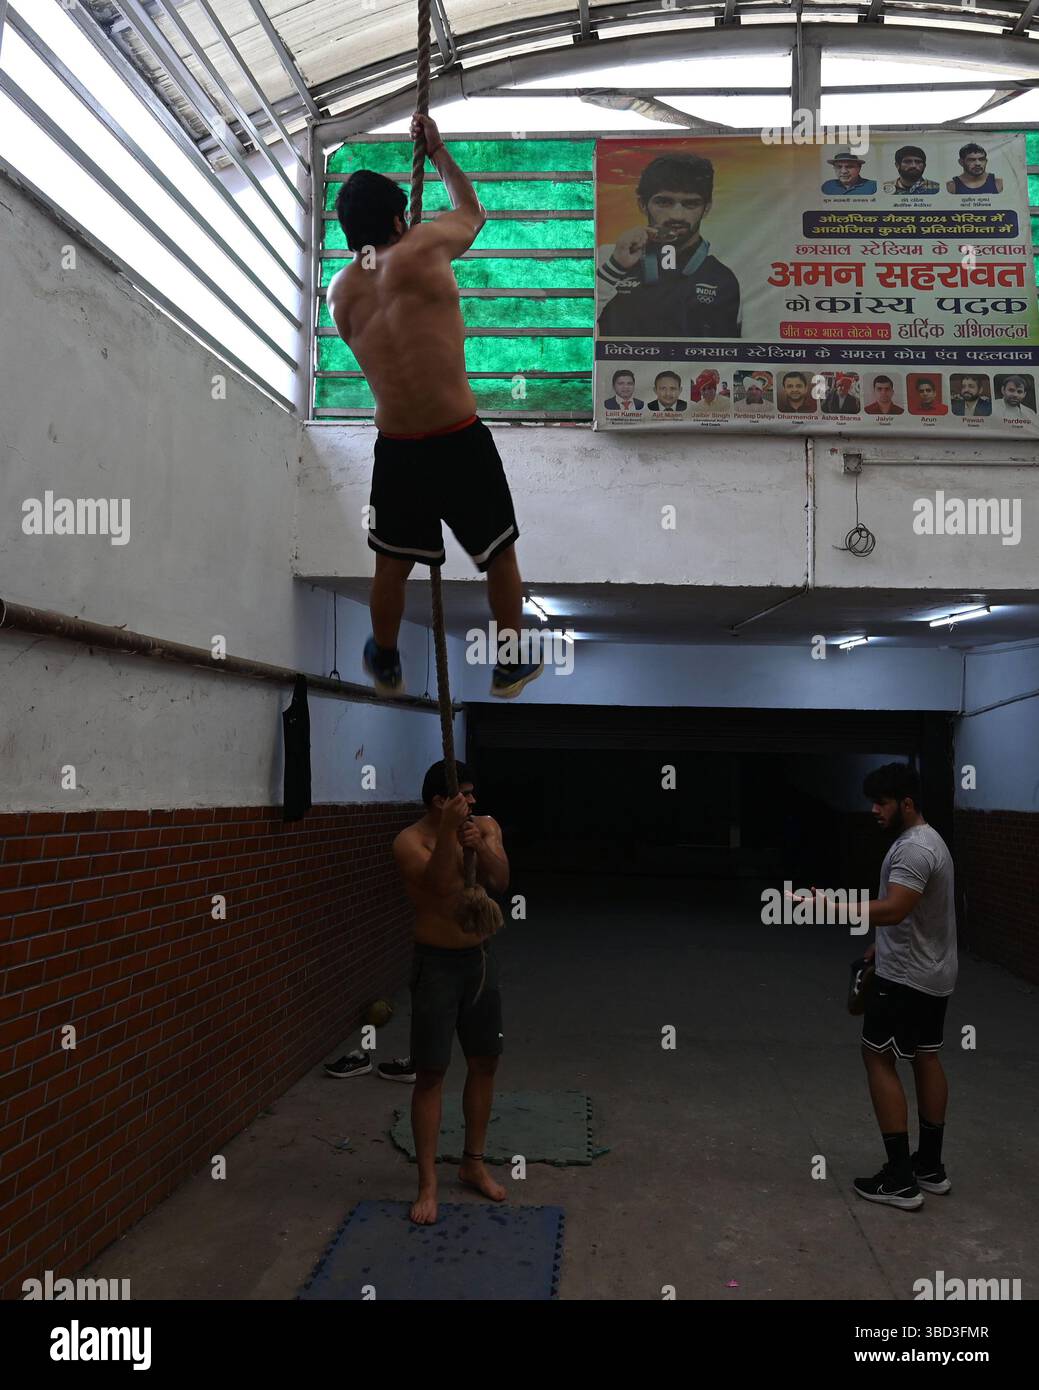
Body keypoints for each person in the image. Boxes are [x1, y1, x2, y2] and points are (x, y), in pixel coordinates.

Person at [327, 113, 541, 701]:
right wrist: (439, 152)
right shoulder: (422, 247)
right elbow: (474, 213)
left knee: (391, 565)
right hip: (457, 436)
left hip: (396, 449)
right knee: (497, 554)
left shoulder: (339, 292)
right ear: (400, 218)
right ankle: (508, 660)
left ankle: (386, 658)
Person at [392, 760, 510, 1225]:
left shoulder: (485, 827)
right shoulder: (408, 842)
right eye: (464, 795)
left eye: (473, 794)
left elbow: (500, 880)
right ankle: (427, 1183)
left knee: (484, 1063)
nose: (474, 802)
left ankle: (472, 1163)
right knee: (431, 1073)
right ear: (441, 802)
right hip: (436, 965)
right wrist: (449, 837)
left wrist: (481, 845)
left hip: (479, 962)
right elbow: (442, 888)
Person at [853, 764, 957, 1209]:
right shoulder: (930, 840)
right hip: (934, 972)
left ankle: (899, 1178)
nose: (874, 810)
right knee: (926, 1054)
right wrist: (879, 945)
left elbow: (895, 909)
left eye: (882, 802)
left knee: (877, 1056)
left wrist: (828, 905)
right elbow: (912, 914)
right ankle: (929, 1167)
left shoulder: (913, 850)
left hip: (907, 979)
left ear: (907, 803)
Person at [597, 153, 741, 337]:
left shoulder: (730, 273)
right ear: (642, 204)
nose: (677, 216)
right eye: (664, 202)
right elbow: (576, 319)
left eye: (691, 204)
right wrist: (615, 267)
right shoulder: (608, 257)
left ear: (707, 208)